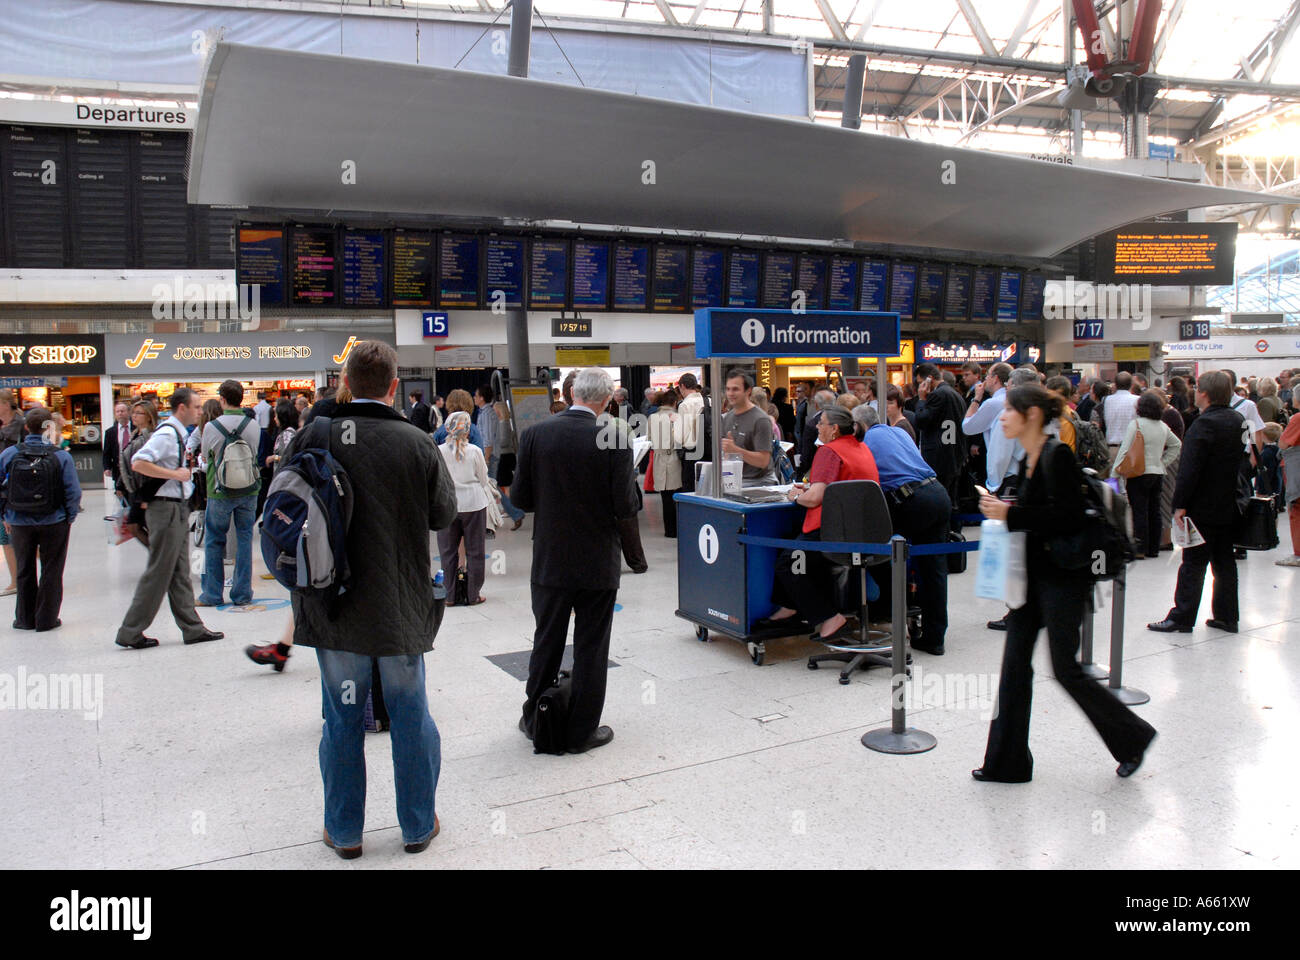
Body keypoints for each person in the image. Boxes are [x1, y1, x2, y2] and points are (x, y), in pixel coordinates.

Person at [289, 342, 457, 857]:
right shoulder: (415, 441)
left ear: (345, 380)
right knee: (410, 714)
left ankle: (343, 833)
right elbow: (443, 515)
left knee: (341, 718)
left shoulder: (313, 434)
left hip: (332, 604)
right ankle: (415, 826)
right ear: (393, 386)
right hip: (398, 606)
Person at [974, 384, 1157, 783]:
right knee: (1015, 668)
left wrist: (1010, 516)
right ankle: (1008, 764)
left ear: (1032, 415)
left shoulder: (1057, 456)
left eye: (1008, 410)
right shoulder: (1028, 458)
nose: (1002, 416)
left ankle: (1133, 738)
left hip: (1063, 578)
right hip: (1035, 577)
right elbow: (1042, 512)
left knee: (1065, 668)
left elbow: (1068, 518)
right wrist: (1008, 510)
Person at [512, 367, 639, 753]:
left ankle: (535, 717)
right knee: (591, 645)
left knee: (546, 639)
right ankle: (582, 729)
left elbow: (520, 498)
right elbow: (625, 506)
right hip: (596, 561)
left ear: (571, 395)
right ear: (605, 401)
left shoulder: (536, 434)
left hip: (550, 559)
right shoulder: (615, 437)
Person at [115, 388, 224, 650]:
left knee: (178, 572)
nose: (200, 412)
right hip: (164, 510)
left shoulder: (177, 433)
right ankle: (130, 631)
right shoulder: (166, 434)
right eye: (196, 407)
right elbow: (139, 462)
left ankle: (192, 628)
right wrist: (176, 475)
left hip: (175, 508)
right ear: (182, 408)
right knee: (159, 572)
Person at [762, 406, 879, 641]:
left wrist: (795, 496)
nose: (817, 427)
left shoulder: (829, 451)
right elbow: (838, 487)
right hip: (863, 531)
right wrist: (811, 488)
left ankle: (829, 617)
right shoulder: (861, 448)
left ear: (834, 429)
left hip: (833, 532)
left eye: (821, 423)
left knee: (789, 563)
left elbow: (815, 498)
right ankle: (789, 607)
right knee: (796, 551)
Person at [1148, 371, 1245, 634]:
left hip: (1202, 506)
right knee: (1225, 562)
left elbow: (1190, 469)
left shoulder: (1204, 425)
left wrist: (1180, 504)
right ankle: (1227, 616)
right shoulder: (1238, 420)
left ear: (1204, 393)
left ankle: (1182, 616)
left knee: (1193, 562)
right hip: (1228, 503)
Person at [857, 404, 951, 655]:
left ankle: (884, 609)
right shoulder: (897, 431)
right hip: (938, 493)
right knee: (934, 570)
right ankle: (934, 636)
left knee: (870, 545)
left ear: (859, 426)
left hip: (911, 500)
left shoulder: (865, 442)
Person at [0, 407, 82, 631]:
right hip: (53, 520)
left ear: (27, 427)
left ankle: (24, 619)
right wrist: (69, 516)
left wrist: (5, 514)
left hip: (19, 521)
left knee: (24, 569)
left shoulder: (9, 454)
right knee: (52, 569)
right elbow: (73, 491)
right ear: (50, 427)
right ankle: (46, 619)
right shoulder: (60, 455)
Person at [198, 380, 261, 609]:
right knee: (244, 539)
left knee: (215, 540)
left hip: (219, 491)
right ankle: (242, 593)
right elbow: (255, 453)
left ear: (222, 399)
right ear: (241, 398)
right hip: (249, 489)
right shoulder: (253, 425)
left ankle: (212, 594)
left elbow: (206, 457)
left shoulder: (211, 427)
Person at [1114, 390, 1182, 559]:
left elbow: (1125, 448)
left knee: (1139, 511)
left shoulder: (1136, 425)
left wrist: (1115, 471)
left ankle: (1140, 549)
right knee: (1154, 510)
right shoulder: (1162, 426)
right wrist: (1163, 462)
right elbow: (1176, 445)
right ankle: (1153, 548)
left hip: (1138, 472)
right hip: (1157, 472)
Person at [435, 411, 492, 606]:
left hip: (448, 505)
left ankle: (449, 596)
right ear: (467, 429)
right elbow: (484, 479)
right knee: (475, 551)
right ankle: (473, 593)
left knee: (447, 551)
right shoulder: (475, 451)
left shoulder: (439, 450)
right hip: (474, 504)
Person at [914, 362, 968, 531]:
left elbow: (922, 420)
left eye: (920, 382)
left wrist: (922, 400)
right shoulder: (956, 394)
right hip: (954, 454)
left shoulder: (938, 396)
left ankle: (946, 534)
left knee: (944, 500)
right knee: (952, 500)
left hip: (940, 455)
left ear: (928, 380)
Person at [961, 362, 1020, 495]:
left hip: (1005, 473)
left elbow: (967, 426)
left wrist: (976, 399)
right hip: (1017, 468)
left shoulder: (994, 403)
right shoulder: (1014, 400)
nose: (985, 379)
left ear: (996, 378)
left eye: (988, 375)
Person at [721, 370, 776, 486]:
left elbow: (763, 461)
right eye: (728, 389)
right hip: (734, 480)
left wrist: (735, 450)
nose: (730, 393)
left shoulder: (761, 420)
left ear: (748, 391)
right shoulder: (727, 418)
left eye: (735, 389)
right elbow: (726, 454)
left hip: (760, 483)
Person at [647, 389, 682, 538]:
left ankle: (669, 530)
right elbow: (681, 439)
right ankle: (678, 528)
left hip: (659, 458)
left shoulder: (652, 418)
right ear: (674, 402)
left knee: (665, 497)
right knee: (677, 495)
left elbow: (648, 439)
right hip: (674, 458)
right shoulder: (677, 417)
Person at [0, 389, 24, 596]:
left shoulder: (21, 426)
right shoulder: (3, 427)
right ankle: (15, 579)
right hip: (2, 486)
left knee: (18, 536)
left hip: (17, 487)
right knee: (5, 538)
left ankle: (23, 577)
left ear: (6, 405)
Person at [1093, 371, 1139, 474]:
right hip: (1132, 450)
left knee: (1113, 483)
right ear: (1131, 385)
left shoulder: (1106, 401)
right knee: (1130, 484)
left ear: (1115, 385)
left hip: (1112, 449)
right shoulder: (1138, 401)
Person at [492, 400, 526, 531]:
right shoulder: (508, 423)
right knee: (504, 485)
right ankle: (512, 510)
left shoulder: (504, 423)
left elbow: (504, 442)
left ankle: (513, 509)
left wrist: (495, 443)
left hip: (504, 456)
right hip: (508, 456)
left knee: (503, 485)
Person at [1277, 393, 1300, 568]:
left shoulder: (1297, 419)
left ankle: (1298, 554)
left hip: (1297, 471)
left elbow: (1284, 443)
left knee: (1297, 510)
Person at [676, 373, 706, 493]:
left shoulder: (685, 405)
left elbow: (681, 434)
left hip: (691, 451)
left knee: (690, 487)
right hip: (708, 449)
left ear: (682, 386)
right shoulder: (708, 401)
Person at [798, 388, 836, 479]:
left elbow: (806, 455)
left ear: (816, 404)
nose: (819, 426)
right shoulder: (840, 419)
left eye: (821, 423)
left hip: (817, 470)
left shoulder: (812, 425)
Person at [102, 401, 132, 499]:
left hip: (134, 468)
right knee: (122, 498)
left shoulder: (136, 429)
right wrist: (106, 467)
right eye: (117, 411)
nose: (120, 413)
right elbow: (106, 452)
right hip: (118, 469)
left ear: (128, 412)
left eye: (122, 411)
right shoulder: (110, 432)